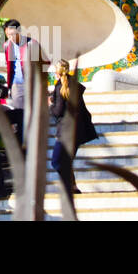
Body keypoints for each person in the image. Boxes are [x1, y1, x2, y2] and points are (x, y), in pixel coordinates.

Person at [49, 58, 98, 196]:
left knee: (57, 162)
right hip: (78, 130)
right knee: (66, 160)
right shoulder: (74, 84)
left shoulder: (60, 87)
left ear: (57, 73)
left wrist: (50, 105)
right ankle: (73, 187)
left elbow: (58, 111)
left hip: (66, 131)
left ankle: (68, 186)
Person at [2, 19, 34, 138]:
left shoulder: (31, 44)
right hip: (16, 84)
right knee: (20, 113)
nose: (10, 37)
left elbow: (44, 61)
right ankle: (23, 139)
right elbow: (9, 65)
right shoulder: (6, 46)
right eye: (8, 35)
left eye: (12, 34)